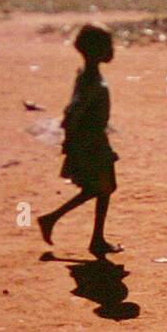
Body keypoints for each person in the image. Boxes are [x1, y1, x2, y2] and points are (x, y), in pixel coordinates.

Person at [37, 24, 118, 257]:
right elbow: (74, 111)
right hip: (90, 142)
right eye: (107, 46)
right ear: (95, 51)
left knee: (104, 187)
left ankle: (94, 237)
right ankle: (55, 220)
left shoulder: (87, 76)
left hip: (95, 139)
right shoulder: (92, 81)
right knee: (102, 187)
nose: (112, 51)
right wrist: (71, 139)